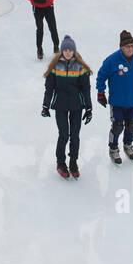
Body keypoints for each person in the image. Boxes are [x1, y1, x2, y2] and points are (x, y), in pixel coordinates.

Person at [95, 29, 133, 164]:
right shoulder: (112, 60)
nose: (130, 49)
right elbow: (101, 76)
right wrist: (100, 93)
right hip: (117, 102)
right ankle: (113, 148)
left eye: (132, 46)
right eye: (127, 46)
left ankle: (128, 145)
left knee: (131, 125)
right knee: (117, 126)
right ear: (121, 47)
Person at [41, 36, 93, 179]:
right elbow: (49, 88)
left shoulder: (80, 67)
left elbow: (86, 89)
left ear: (74, 51)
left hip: (77, 105)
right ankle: (60, 162)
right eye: (66, 50)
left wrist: (89, 108)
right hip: (61, 106)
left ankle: (73, 162)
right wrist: (45, 105)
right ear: (62, 51)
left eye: (71, 50)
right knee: (64, 134)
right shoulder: (55, 66)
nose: (68, 52)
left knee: (75, 135)